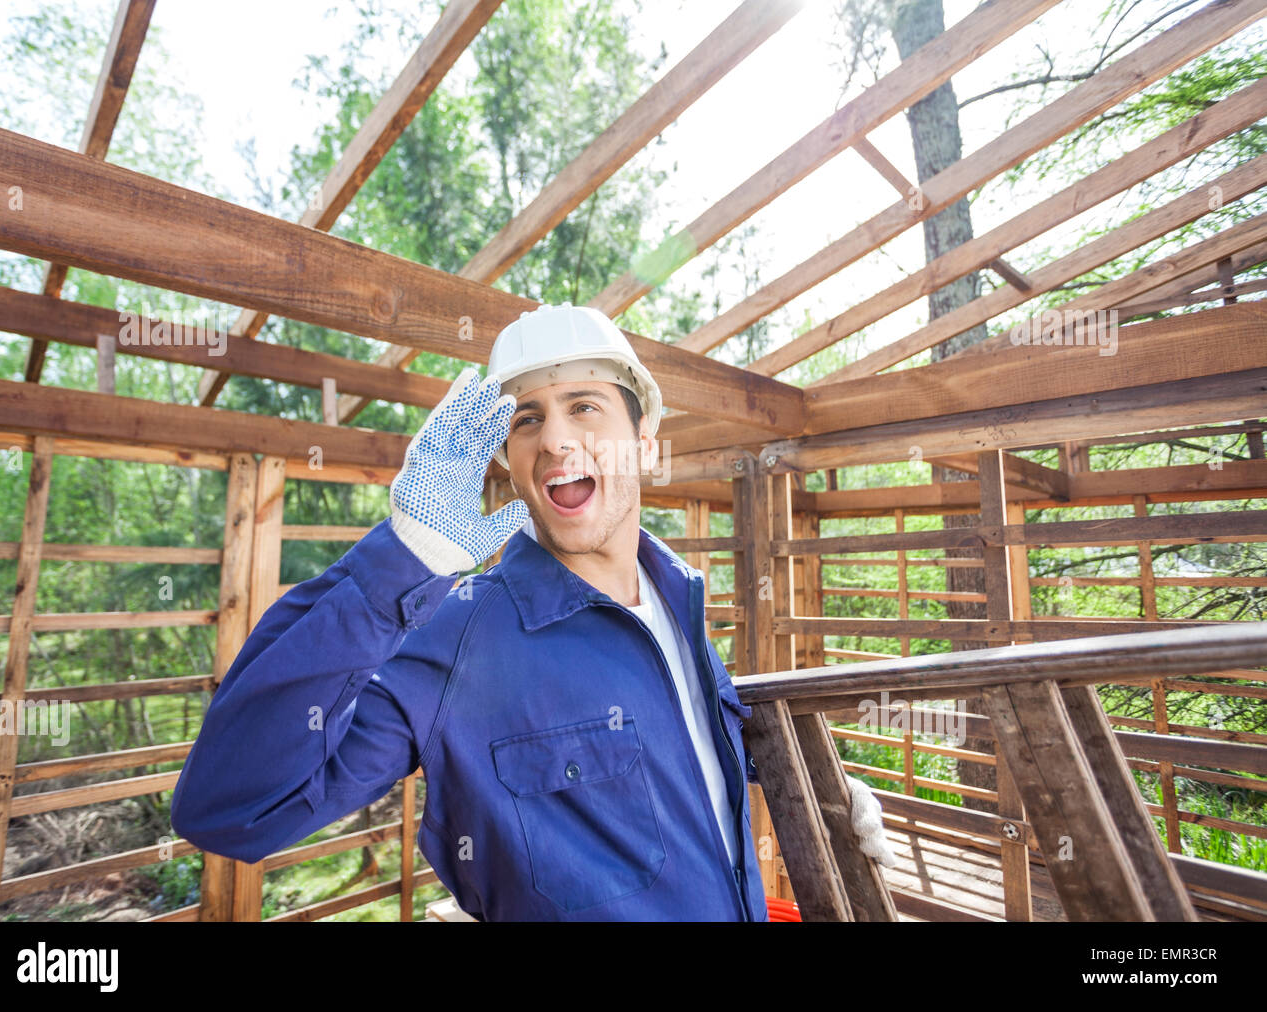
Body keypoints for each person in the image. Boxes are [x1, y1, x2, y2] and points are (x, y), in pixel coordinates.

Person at [171, 303, 888, 921]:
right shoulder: (453, 640)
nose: (554, 439)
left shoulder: (678, 601)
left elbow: (678, 756)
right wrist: (402, 556)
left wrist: (819, 788)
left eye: (585, 406)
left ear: (643, 441)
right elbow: (231, 809)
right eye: (526, 420)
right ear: (509, 460)